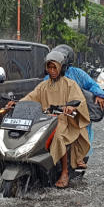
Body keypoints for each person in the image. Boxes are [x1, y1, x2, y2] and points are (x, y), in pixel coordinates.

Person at [16, 50, 90, 188]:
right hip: (44, 120)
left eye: (54, 67)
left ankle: (65, 173)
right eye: (49, 68)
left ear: (61, 68)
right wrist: (17, 104)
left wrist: (71, 108)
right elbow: (31, 97)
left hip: (64, 122)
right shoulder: (43, 85)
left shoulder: (70, 84)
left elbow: (79, 101)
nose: (52, 71)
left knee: (58, 137)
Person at [48, 44, 104, 159]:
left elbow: (92, 85)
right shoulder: (50, 75)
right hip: (58, 112)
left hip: (78, 112)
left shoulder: (78, 73)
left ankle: (82, 158)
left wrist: (99, 95)